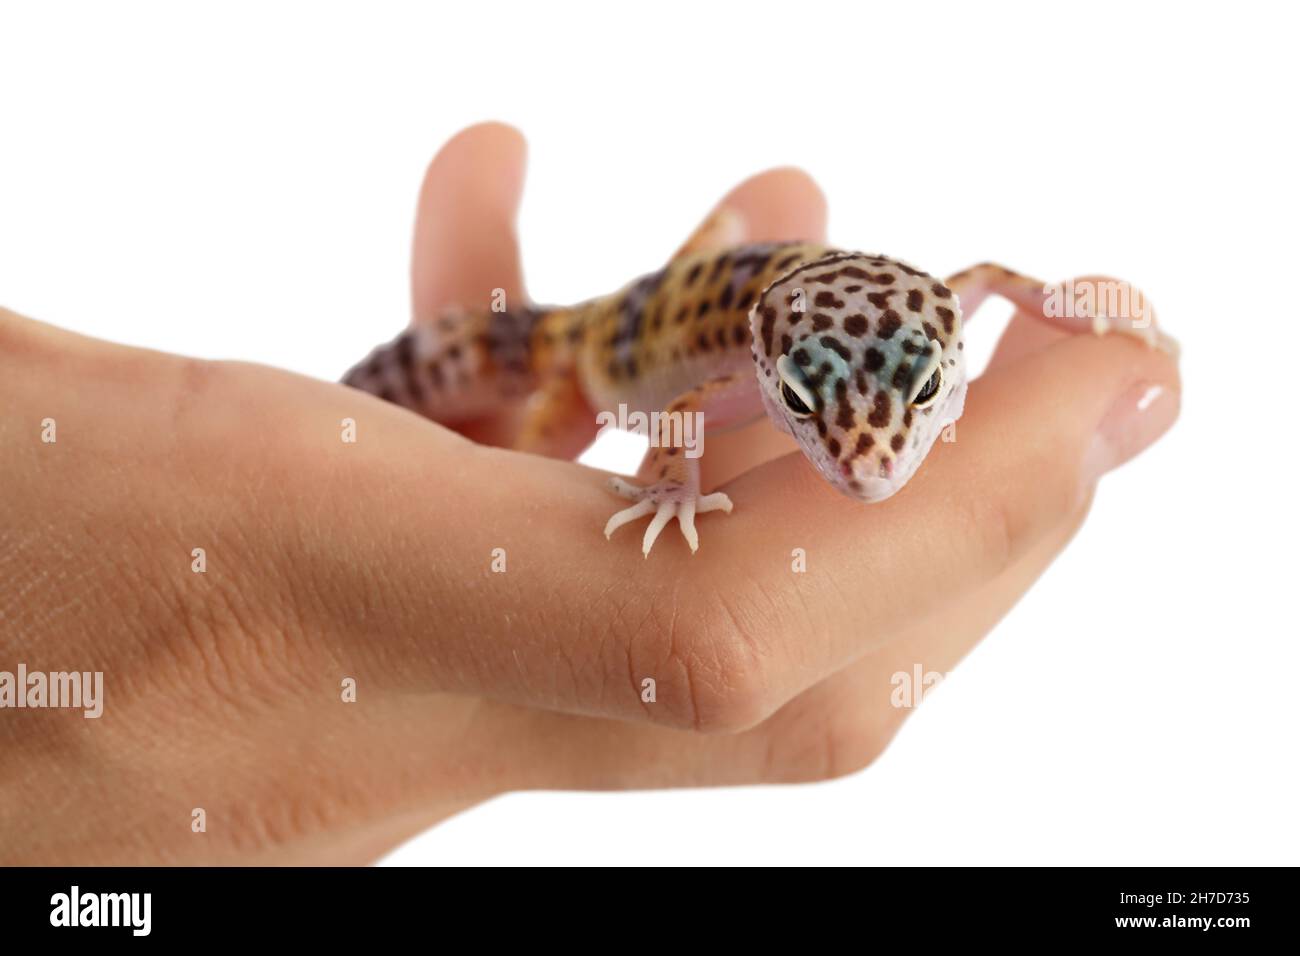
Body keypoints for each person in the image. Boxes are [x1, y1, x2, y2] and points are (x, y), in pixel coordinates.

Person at [0, 123, 1180, 864]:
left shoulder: (938, 298)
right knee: (519, 425)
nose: (867, 459)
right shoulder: (727, 369)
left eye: (914, 404)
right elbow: (665, 416)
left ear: (939, 348)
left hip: (698, 299)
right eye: (817, 411)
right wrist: (661, 483)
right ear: (768, 370)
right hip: (578, 350)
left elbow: (982, 275)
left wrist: (1053, 298)